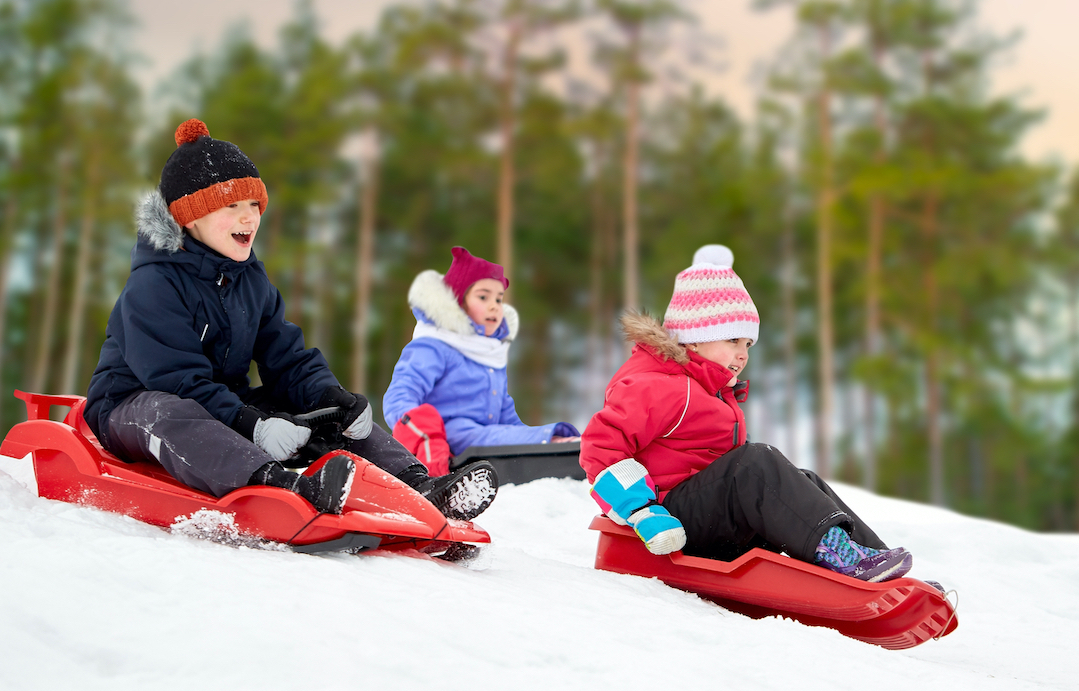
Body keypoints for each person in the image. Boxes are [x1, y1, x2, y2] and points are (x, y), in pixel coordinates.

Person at [82, 118, 498, 521]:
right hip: (132, 406)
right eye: (232, 206)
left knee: (319, 410)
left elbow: (285, 357)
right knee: (170, 411)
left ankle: (421, 487)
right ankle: (283, 490)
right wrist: (253, 424)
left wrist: (330, 398)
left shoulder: (249, 278)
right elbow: (175, 380)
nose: (250, 218)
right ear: (190, 217)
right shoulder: (153, 284)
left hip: (221, 403)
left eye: (254, 204)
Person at [581, 244, 913, 582]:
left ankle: (875, 563)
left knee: (803, 480)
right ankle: (842, 556)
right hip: (667, 522)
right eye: (733, 341)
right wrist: (641, 510)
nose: (742, 355)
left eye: (748, 345)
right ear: (694, 339)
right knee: (755, 465)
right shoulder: (658, 385)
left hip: (707, 519)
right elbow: (601, 449)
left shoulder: (709, 392)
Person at [382, 247, 579, 473]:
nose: (495, 305)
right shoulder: (433, 346)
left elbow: (505, 415)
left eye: (499, 298)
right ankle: (554, 444)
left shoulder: (488, 353)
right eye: (483, 297)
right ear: (458, 301)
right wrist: (421, 432)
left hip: (487, 438)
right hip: (448, 437)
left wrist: (529, 439)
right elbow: (399, 396)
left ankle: (555, 451)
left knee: (501, 434)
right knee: (477, 433)